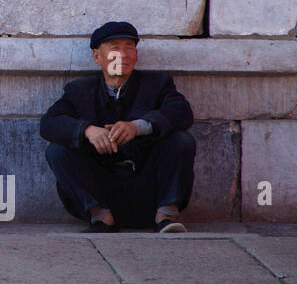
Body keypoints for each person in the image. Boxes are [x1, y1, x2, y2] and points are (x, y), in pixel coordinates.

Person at [41, 21, 195, 233]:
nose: (123, 54)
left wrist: (138, 127)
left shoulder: (158, 85)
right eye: (114, 48)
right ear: (97, 57)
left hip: (148, 190)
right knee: (57, 150)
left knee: (181, 141)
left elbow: (181, 112)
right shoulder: (79, 91)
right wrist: (87, 131)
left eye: (129, 47)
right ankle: (101, 217)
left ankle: (166, 216)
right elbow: (49, 123)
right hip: (102, 192)